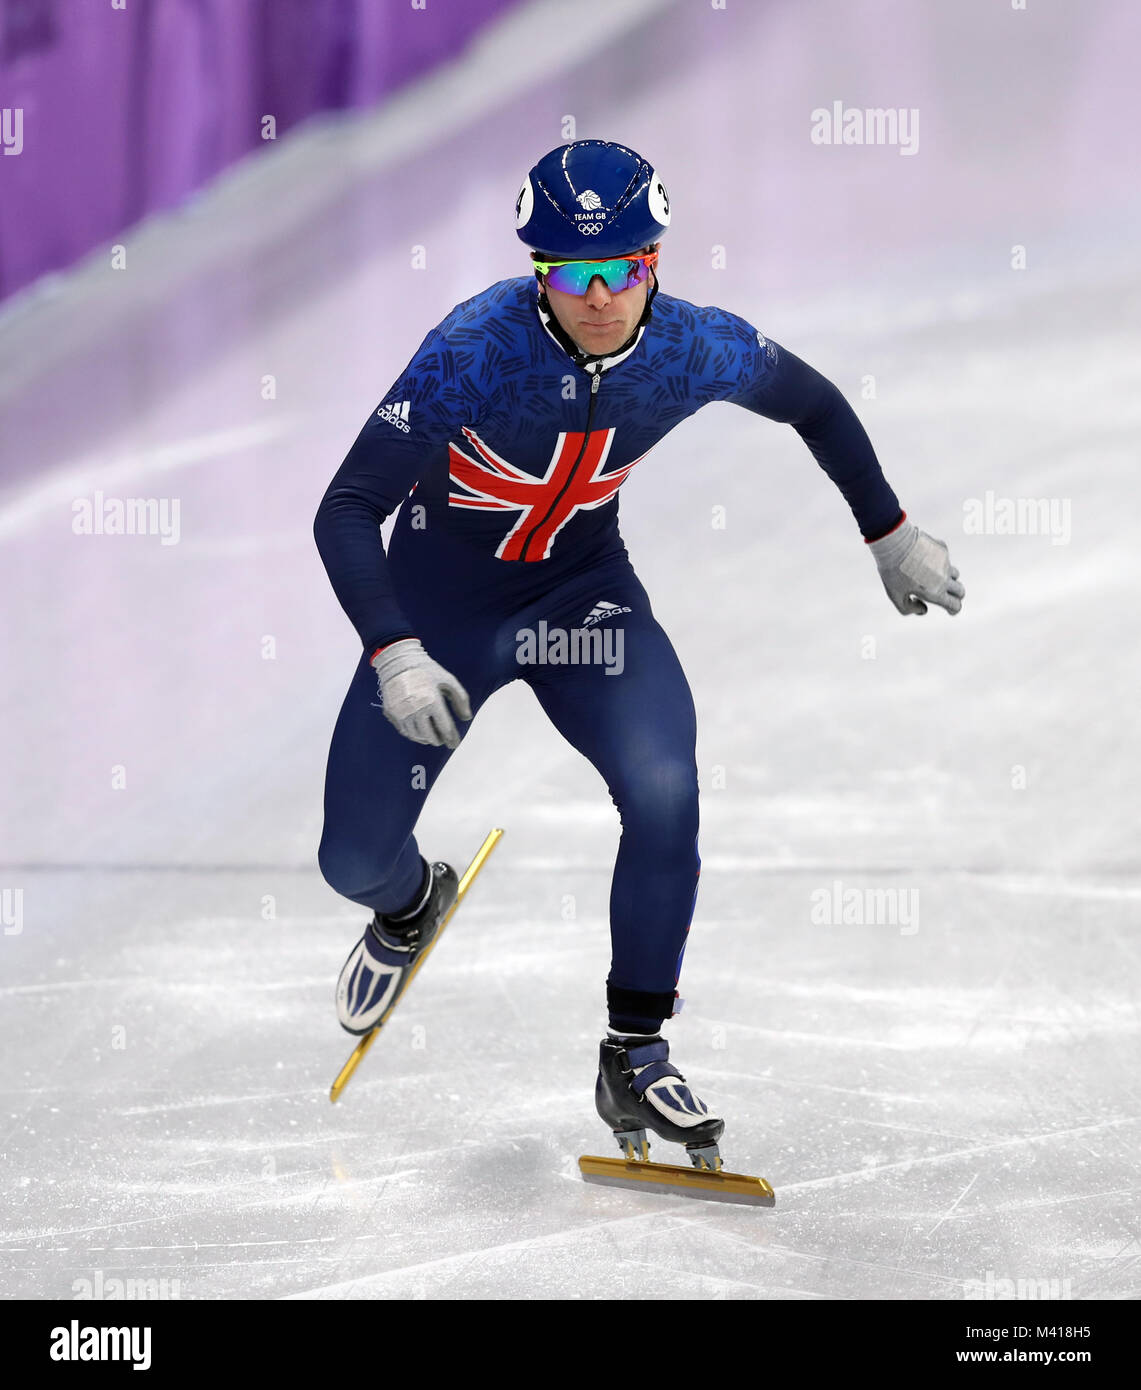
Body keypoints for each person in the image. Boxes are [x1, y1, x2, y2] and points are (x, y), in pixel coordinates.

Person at [313, 139, 964, 1169]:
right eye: (573, 275)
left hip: (583, 601)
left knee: (665, 789)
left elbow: (815, 403)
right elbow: (347, 507)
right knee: (348, 858)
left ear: (653, 260)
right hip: (440, 616)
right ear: (538, 274)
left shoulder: (693, 347)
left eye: (623, 269)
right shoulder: (471, 349)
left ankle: (636, 1046)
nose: (601, 296)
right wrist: (394, 648)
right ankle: (407, 905)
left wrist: (886, 530)